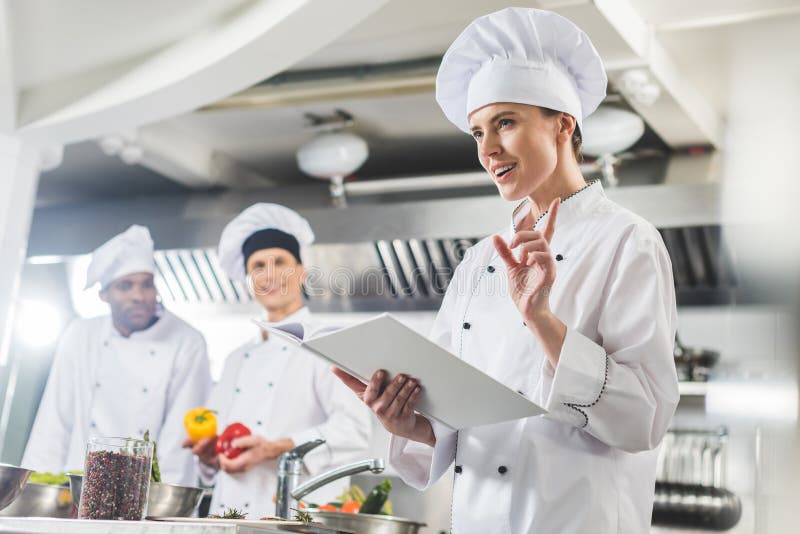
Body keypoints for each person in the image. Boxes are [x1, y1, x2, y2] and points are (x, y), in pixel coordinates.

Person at [333, 7, 680, 533]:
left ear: (564, 125)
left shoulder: (627, 241)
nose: (488, 149)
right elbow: (457, 419)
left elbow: (646, 419)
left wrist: (542, 320)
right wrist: (410, 422)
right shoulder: (481, 260)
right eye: (477, 132)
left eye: (506, 123)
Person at [187, 203, 371, 519]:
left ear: (300, 272)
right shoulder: (235, 359)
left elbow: (354, 432)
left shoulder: (330, 344)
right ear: (248, 279)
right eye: (258, 266)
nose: (269, 274)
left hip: (296, 517)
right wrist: (209, 455)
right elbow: (219, 453)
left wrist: (276, 448)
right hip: (229, 518)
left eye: (280, 262)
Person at [23, 225, 212, 485]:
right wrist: (35, 489)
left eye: (147, 284)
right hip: (79, 484)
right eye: (126, 286)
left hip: (144, 490)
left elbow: (177, 442)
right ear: (104, 295)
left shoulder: (187, 341)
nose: (139, 295)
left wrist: (163, 507)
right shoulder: (81, 334)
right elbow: (54, 420)